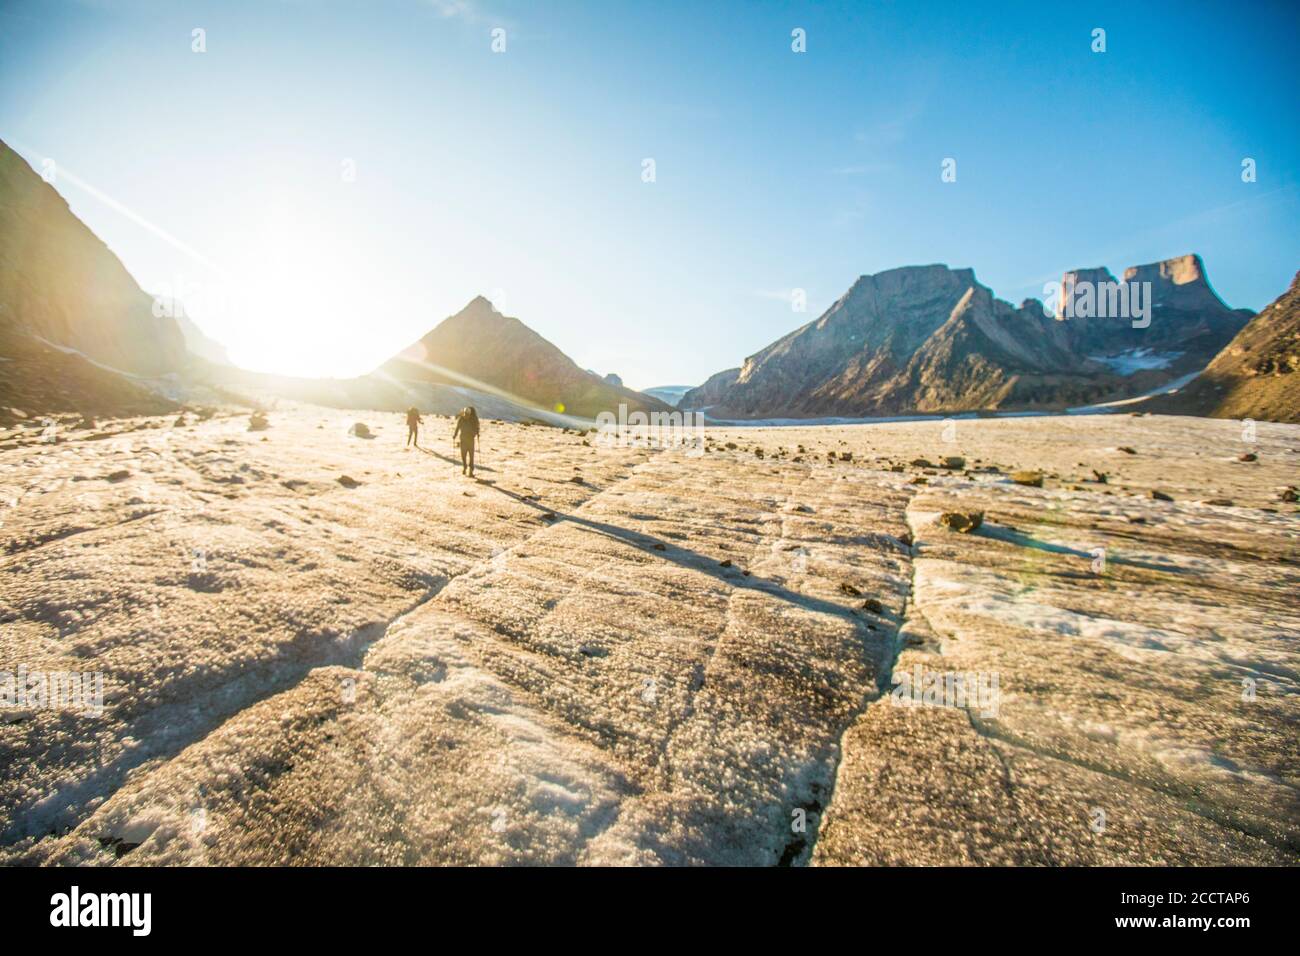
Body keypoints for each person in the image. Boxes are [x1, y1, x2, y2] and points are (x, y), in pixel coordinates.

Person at [452, 406, 480, 477]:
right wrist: (455, 435)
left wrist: (476, 434)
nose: (466, 415)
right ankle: (466, 467)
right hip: (465, 439)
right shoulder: (469, 419)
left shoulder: (469, 419)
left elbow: (476, 428)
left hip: (468, 439)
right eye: (465, 414)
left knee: (469, 455)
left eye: (467, 414)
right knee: (465, 455)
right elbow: (458, 427)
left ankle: (469, 469)